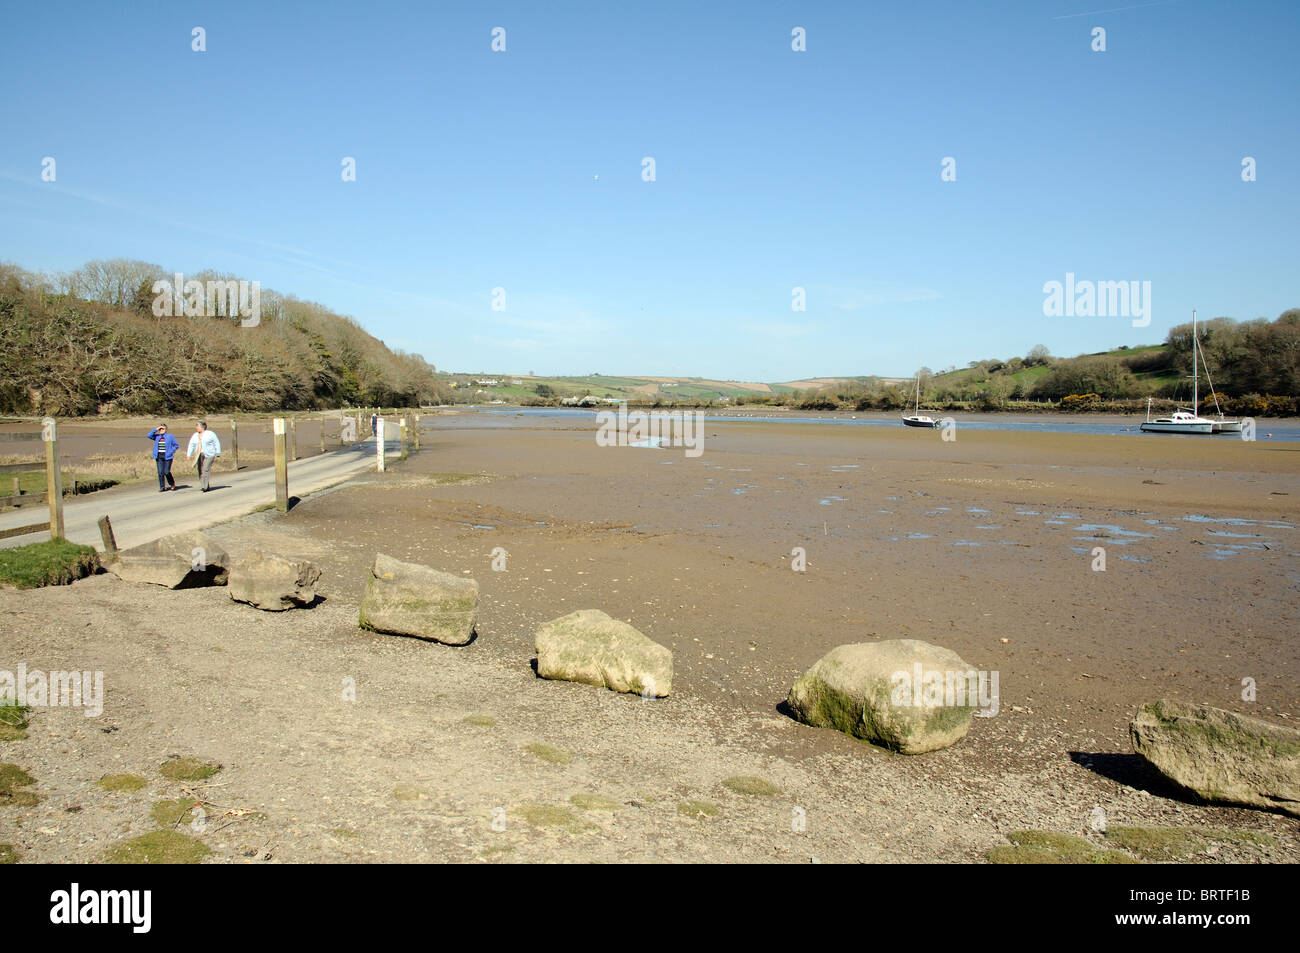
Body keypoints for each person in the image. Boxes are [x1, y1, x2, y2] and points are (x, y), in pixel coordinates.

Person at [186, 421, 222, 492]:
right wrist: (188, 454)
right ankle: (204, 485)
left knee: (205, 469)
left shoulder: (210, 434)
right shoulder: (195, 435)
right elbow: (191, 445)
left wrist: (218, 452)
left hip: (209, 454)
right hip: (199, 454)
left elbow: (216, 442)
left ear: (202, 427)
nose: (196, 428)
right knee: (200, 470)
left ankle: (204, 487)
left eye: (197, 426)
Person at [147, 423, 179, 492]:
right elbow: (149, 435)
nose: (161, 430)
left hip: (168, 457)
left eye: (163, 429)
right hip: (159, 456)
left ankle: (172, 483)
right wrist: (156, 429)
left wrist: (171, 451)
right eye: (160, 429)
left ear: (166, 429)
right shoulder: (157, 436)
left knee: (166, 472)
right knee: (160, 472)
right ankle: (162, 487)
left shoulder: (170, 436)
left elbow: (176, 445)